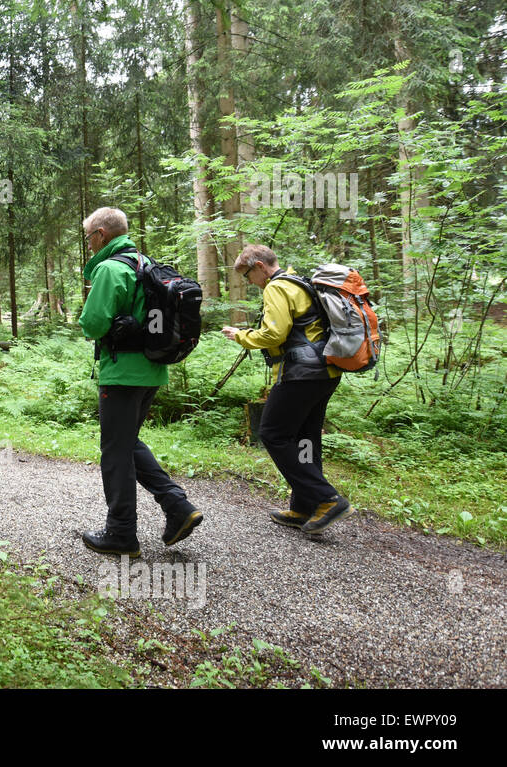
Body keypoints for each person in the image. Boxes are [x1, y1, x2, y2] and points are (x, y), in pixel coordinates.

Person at [78, 207, 202, 557]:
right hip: (151, 371)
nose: (88, 245)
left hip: (121, 373)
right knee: (127, 442)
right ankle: (177, 506)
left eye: (89, 237)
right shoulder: (145, 265)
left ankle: (121, 534)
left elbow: (93, 324)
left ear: (102, 234)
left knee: (115, 452)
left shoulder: (110, 268)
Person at [222, 244, 352, 534]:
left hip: (301, 373)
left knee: (273, 433)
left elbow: (274, 334)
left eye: (247, 276)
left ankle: (326, 498)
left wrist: (240, 335)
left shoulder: (276, 287)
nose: (249, 283)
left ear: (259, 266)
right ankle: (304, 506)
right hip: (326, 371)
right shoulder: (299, 281)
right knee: (305, 437)